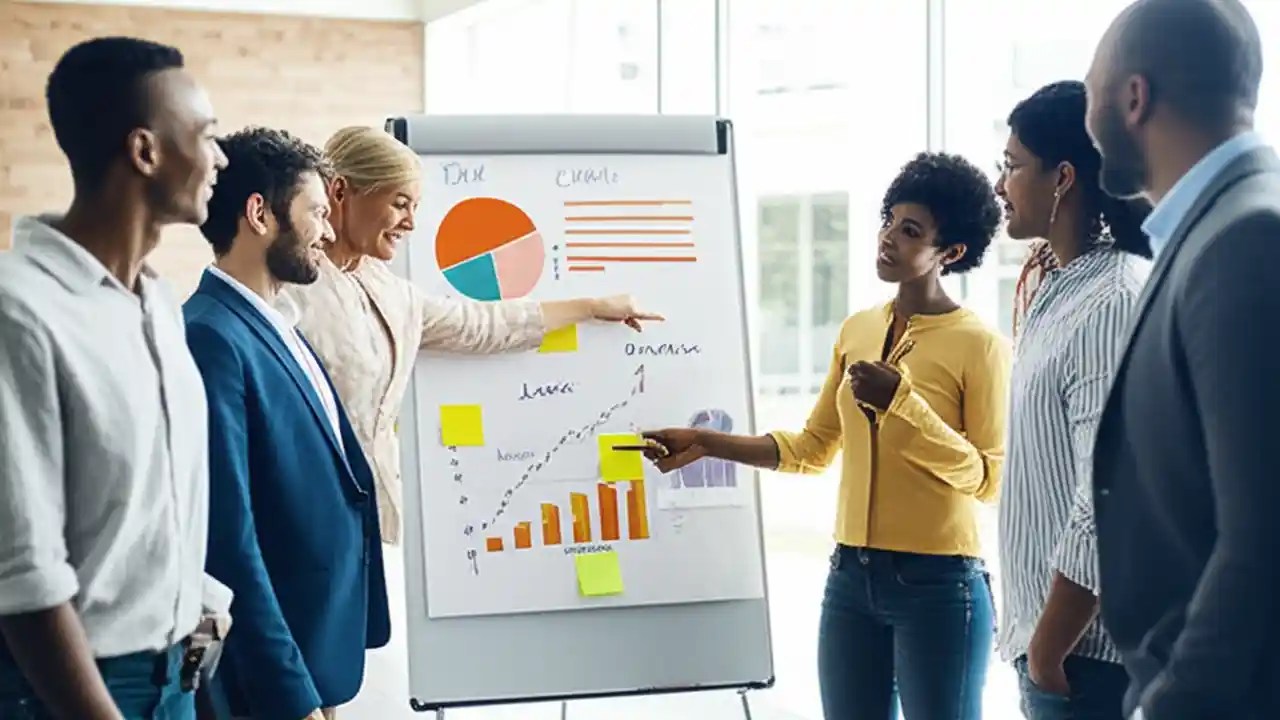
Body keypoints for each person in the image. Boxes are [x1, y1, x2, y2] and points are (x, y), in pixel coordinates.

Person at [283, 126, 661, 712]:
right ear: (341, 192)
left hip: (354, 519)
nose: (410, 222)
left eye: (416, 208)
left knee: (329, 680)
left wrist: (591, 308)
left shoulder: (387, 290)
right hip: (298, 517)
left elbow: (480, 324)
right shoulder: (289, 291)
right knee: (292, 679)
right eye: (400, 203)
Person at [643, 152, 1009, 720]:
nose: (887, 238)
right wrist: (706, 442)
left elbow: (988, 480)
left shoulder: (979, 345)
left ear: (951, 252)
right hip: (850, 580)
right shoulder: (857, 328)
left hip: (938, 587)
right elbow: (813, 449)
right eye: (888, 221)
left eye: (910, 231)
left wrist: (904, 406)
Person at [0, 37, 229, 720]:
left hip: (177, 681)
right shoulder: (20, 310)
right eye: (207, 135)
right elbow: (21, 568)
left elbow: (150, 498)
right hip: (70, 694)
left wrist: (204, 601)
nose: (219, 158)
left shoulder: (158, 302)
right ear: (145, 151)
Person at [1084, 1, 1280, 718]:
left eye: (1090, 91)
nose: (1088, 117)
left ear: (1133, 98)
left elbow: (1262, 537)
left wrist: (1173, 704)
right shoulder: (1217, 231)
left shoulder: (1246, 238)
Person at [185, 126, 386, 720]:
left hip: (316, 643)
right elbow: (228, 538)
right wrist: (289, 693)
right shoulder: (210, 337)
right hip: (270, 676)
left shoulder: (279, 322)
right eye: (317, 212)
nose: (328, 230)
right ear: (259, 214)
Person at [994, 80, 1152, 720]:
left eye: (1011, 167)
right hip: (1055, 649)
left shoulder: (1111, 301)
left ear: (1062, 177)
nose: (1000, 184)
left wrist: (1048, 649)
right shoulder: (1060, 290)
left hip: (1084, 657)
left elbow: (1108, 495)